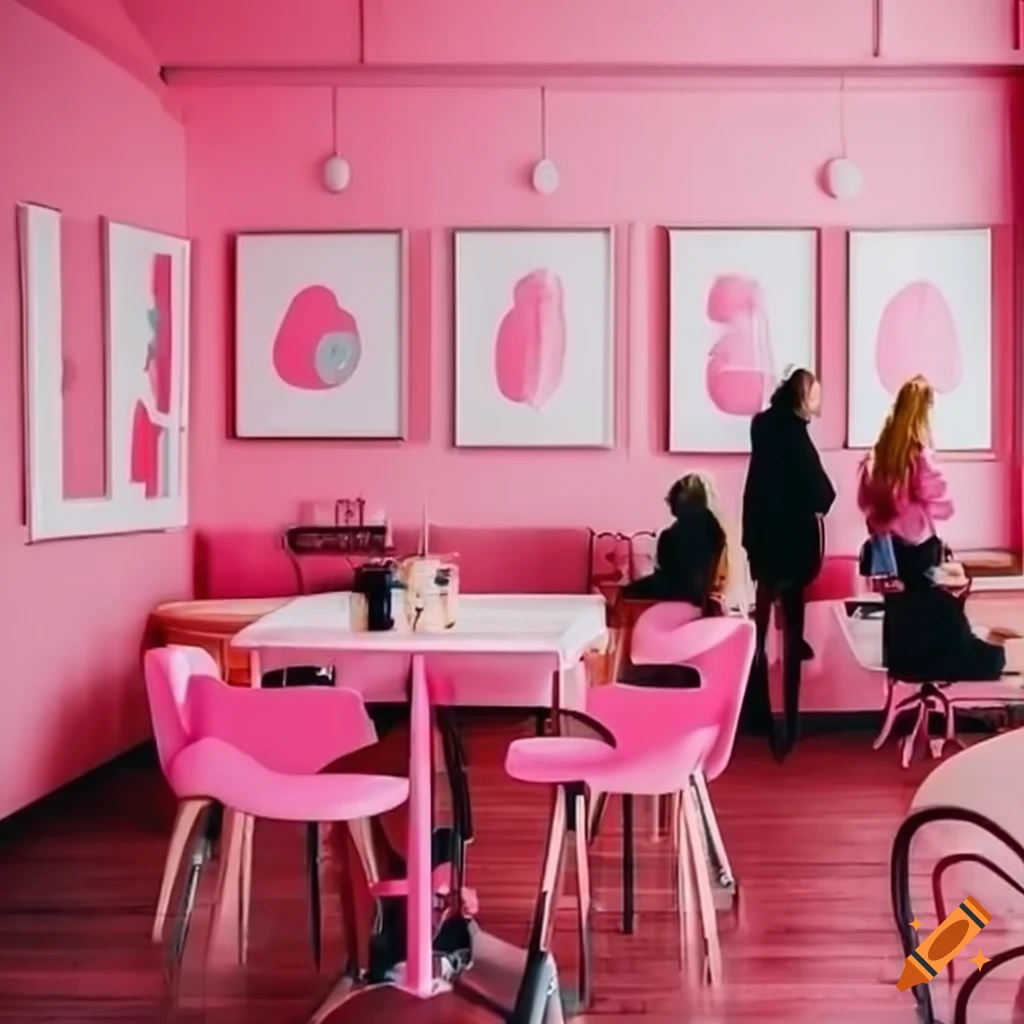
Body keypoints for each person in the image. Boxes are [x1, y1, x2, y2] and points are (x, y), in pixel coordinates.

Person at [857, 376, 1005, 682]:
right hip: (921, 555)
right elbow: (940, 501)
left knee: (908, 621)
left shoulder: (879, 456)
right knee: (985, 655)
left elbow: (870, 507)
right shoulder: (918, 456)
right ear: (923, 413)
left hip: (894, 558)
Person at [742, 368, 836, 756]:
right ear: (803, 395)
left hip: (760, 541)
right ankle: (790, 728)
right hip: (792, 547)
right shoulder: (796, 434)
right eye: (815, 394)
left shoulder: (762, 427)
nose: (819, 401)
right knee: (792, 633)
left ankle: (757, 716)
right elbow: (822, 494)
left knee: (760, 632)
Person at [622, 473, 730, 616]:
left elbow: (665, 570)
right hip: (704, 594)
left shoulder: (671, 535)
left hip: (677, 591)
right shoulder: (718, 531)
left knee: (625, 593)